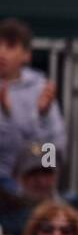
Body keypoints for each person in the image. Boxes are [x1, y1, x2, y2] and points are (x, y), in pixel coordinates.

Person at [0, 18, 66, 193]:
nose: (1, 53)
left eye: (10, 46)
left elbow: (55, 147)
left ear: (26, 55)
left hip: (29, 189)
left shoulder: (40, 89)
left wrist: (42, 117)